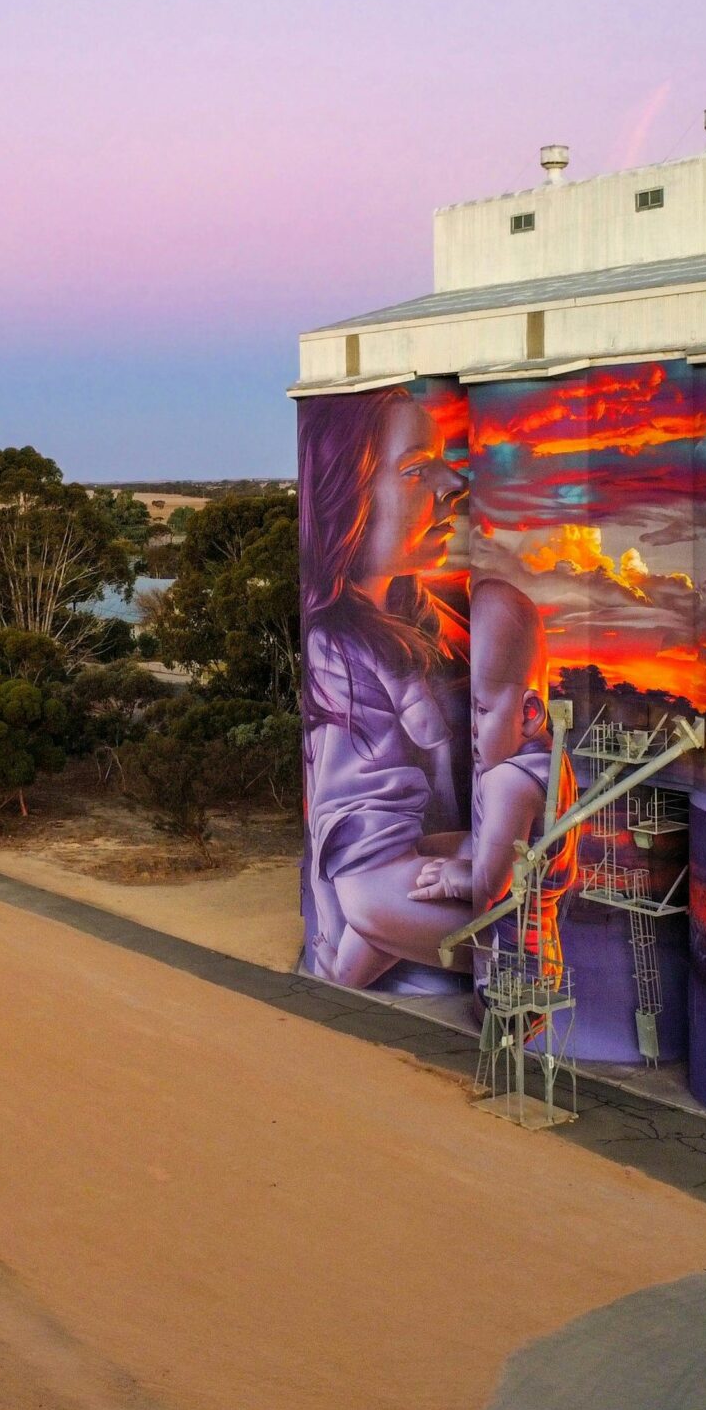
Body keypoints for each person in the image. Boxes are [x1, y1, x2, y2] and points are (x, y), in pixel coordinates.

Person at [299, 388, 477, 991]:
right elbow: (370, 884)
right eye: (416, 469)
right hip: (397, 914)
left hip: (400, 917)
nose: (454, 484)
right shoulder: (339, 653)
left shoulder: (432, 623)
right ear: (343, 496)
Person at [412, 575, 577, 969]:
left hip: (515, 967)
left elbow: (488, 889)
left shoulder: (508, 781)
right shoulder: (552, 762)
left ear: (529, 713)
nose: (468, 725)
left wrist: (455, 876)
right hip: (540, 953)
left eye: (482, 710)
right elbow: (500, 844)